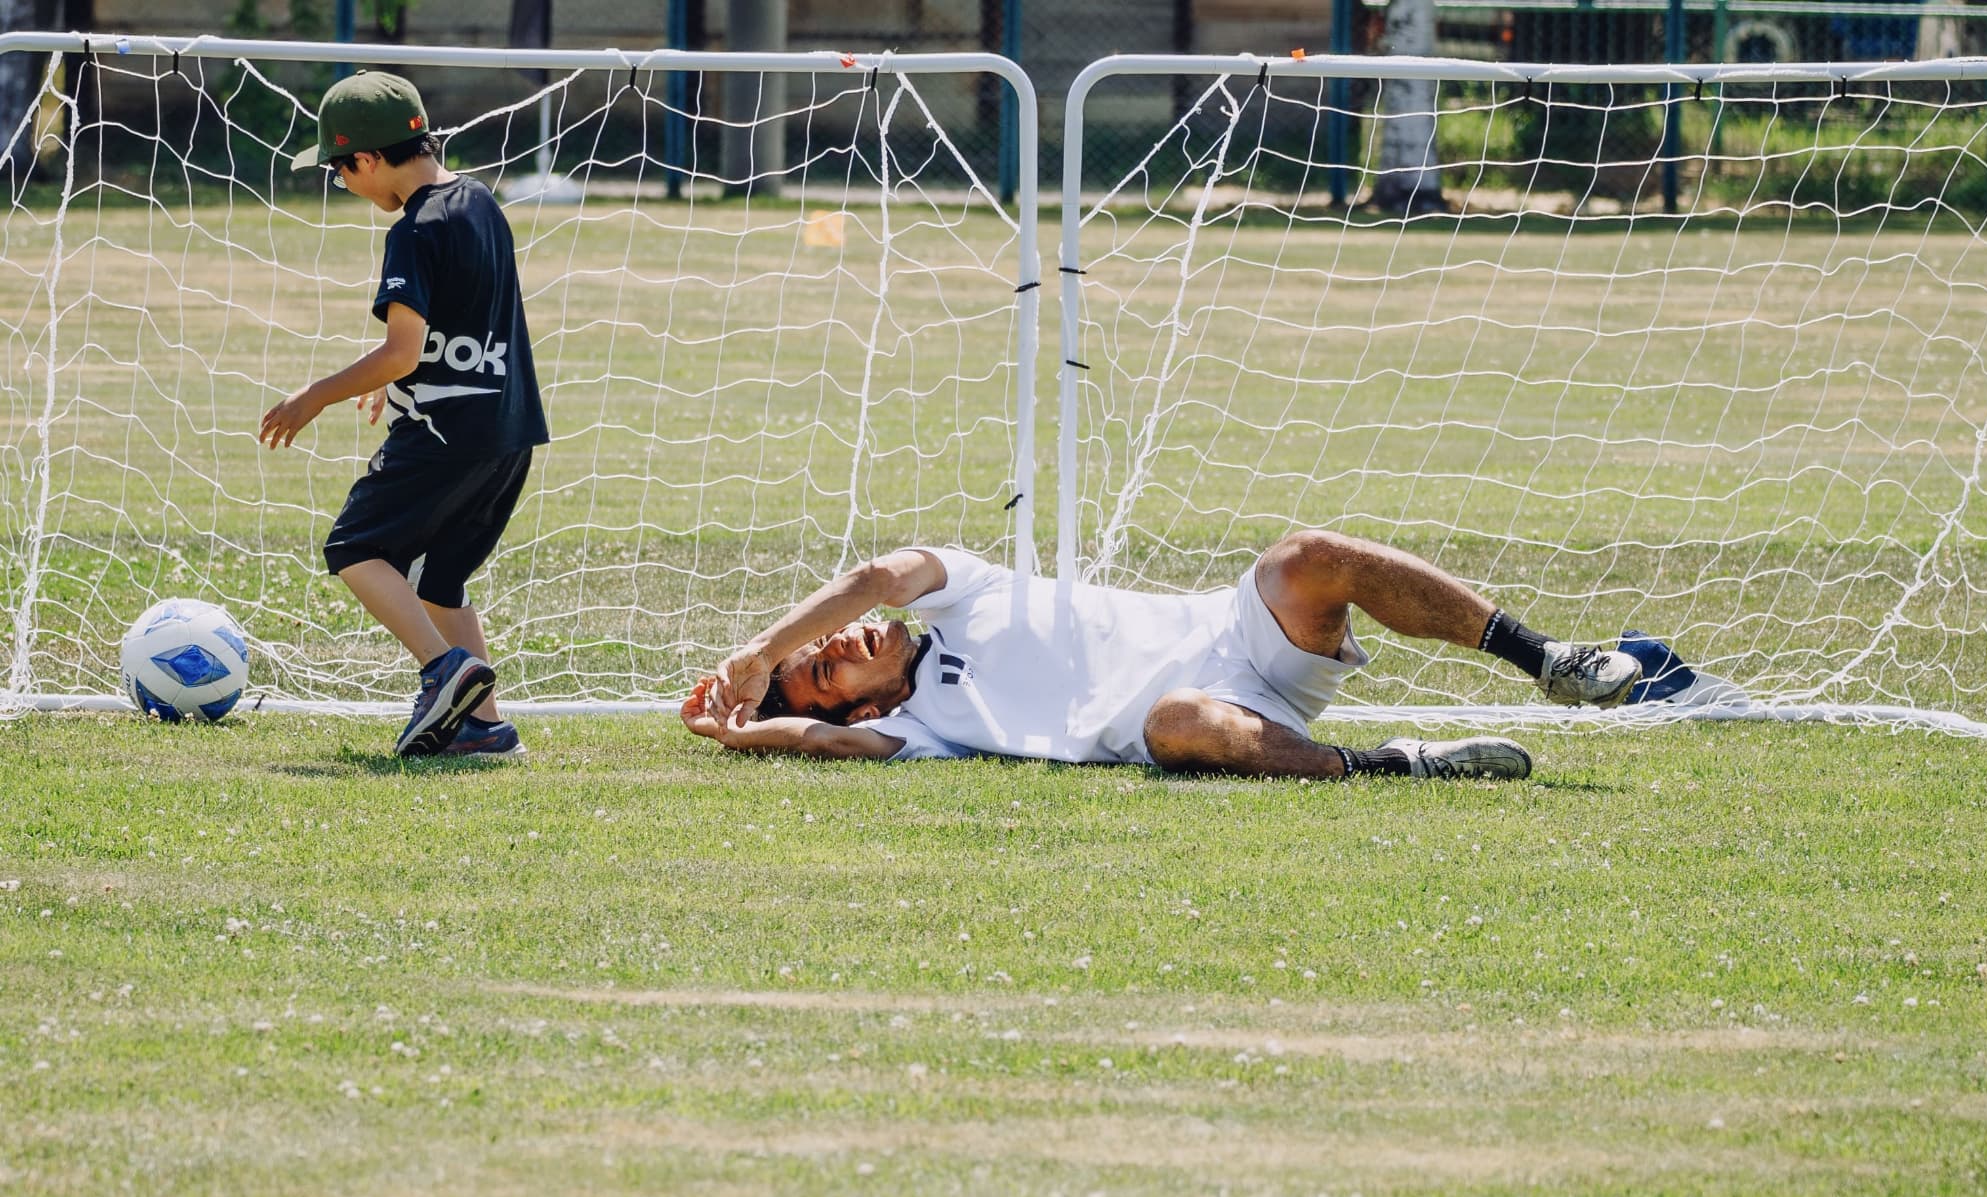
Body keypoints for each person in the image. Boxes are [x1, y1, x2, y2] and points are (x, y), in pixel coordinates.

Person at [680, 530, 1642, 780]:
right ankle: (1395, 766)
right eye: (824, 669)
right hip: (1198, 714)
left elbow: (876, 574)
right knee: (1174, 725)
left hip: (1233, 633)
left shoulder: (959, 595)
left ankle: (1546, 658)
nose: (834, 647)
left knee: (1304, 557)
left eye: (821, 646)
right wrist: (746, 730)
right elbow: (822, 744)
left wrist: (764, 652)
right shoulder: (922, 731)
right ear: (860, 707)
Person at [258, 72, 548, 757]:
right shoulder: (480, 201)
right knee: (439, 581)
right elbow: (451, 331)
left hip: (444, 436)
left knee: (354, 548)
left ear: (365, 159)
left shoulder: (413, 232)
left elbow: (402, 349)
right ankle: (484, 726)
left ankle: (442, 670)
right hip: (507, 433)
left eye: (339, 171)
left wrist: (315, 395)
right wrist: (399, 374)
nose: (345, 186)